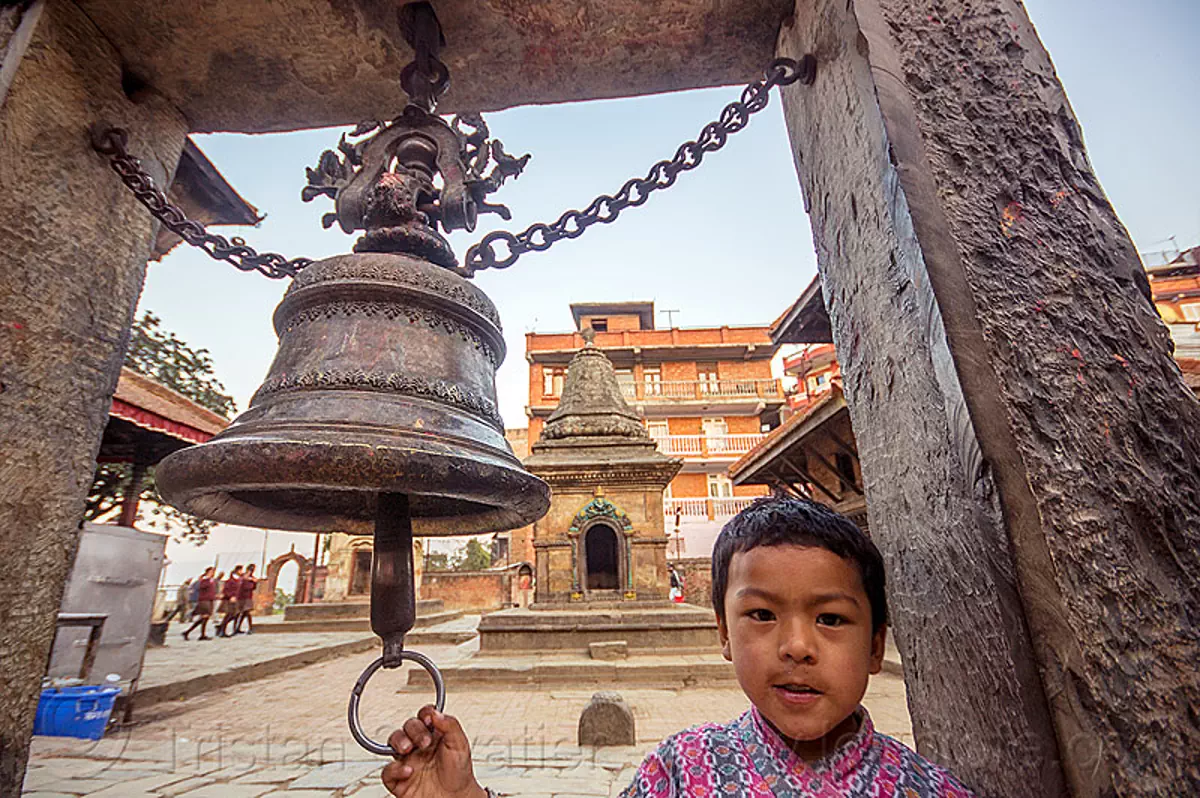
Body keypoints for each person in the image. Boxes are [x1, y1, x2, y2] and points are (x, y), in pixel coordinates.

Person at [378, 497, 977, 797]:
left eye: (831, 618)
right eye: (762, 614)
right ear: (722, 631)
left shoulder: (926, 788)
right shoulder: (682, 768)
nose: (797, 646)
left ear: (877, 646)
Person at [182, 567, 217, 641]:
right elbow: (200, 587)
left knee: (205, 618)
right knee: (204, 617)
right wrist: (205, 580)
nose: (212, 573)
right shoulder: (204, 580)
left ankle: (188, 632)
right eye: (211, 572)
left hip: (210, 599)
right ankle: (202, 634)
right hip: (204, 600)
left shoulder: (212, 580)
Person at [216, 565, 243, 637]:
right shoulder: (230, 581)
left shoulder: (238, 580)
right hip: (229, 600)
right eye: (240, 570)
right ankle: (222, 631)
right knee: (228, 615)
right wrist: (230, 596)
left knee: (234, 614)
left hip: (235, 599)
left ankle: (221, 627)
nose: (241, 572)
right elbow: (225, 590)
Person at [234, 563, 258, 634]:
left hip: (247, 597)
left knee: (246, 612)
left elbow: (253, 587)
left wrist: (254, 582)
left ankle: (249, 628)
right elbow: (244, 586)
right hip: (241, 597)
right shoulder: (243, 577)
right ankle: (236, 628)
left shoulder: (252, 578)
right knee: (240, 613)